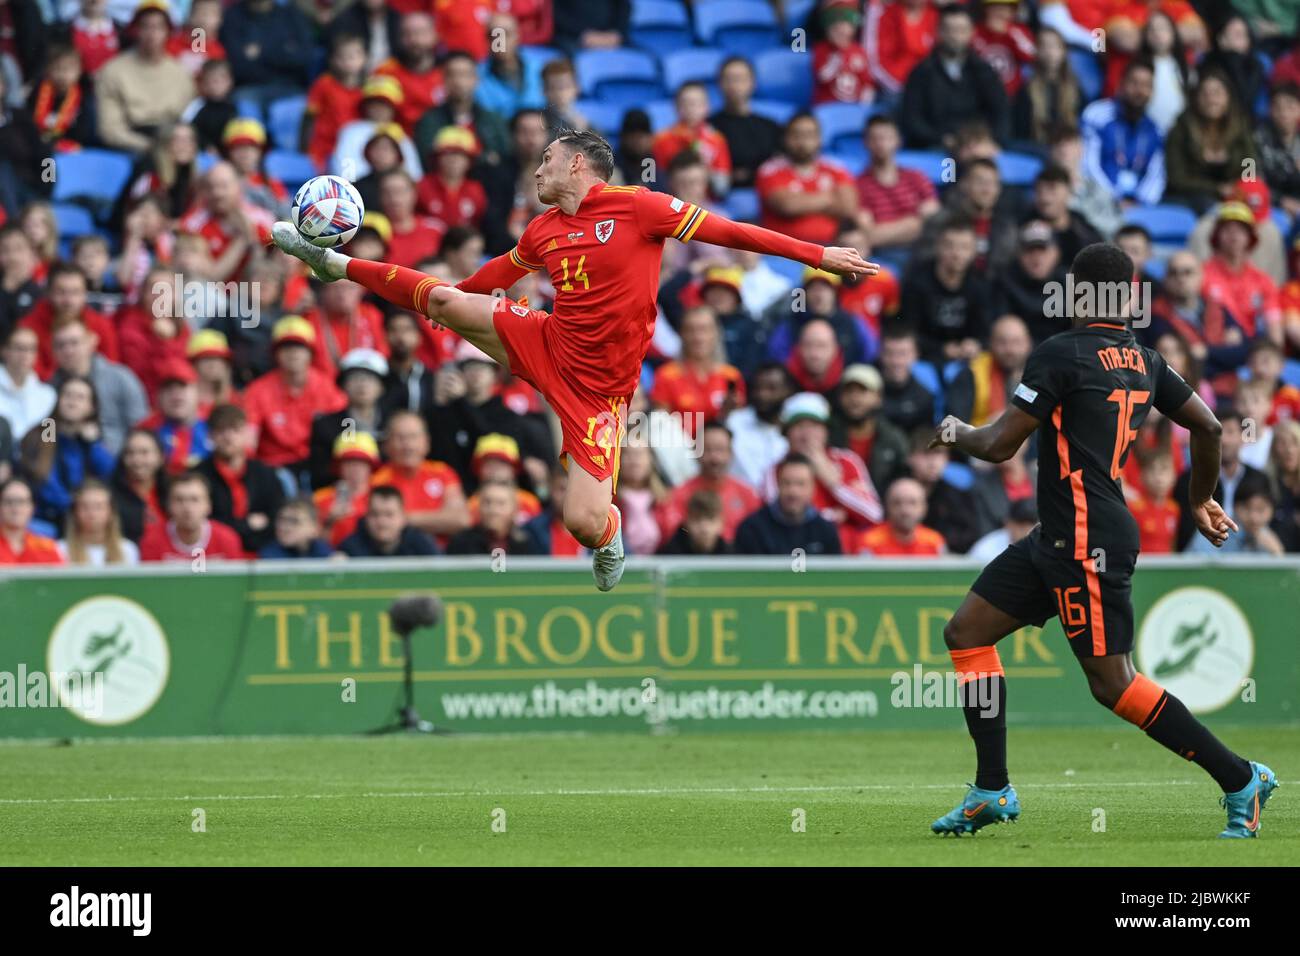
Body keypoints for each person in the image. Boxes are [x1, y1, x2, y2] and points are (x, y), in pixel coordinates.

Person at [271, 128, 875, 590]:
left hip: (599, 394)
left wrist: (817, 254)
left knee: (582, 521)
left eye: (547, 160)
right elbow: (485, 282)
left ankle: (609, 536)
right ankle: (332, 263)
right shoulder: (542, 230)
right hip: (548, 340)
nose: (538, 169)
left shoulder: (642, 207)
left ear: (578, 163)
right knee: (447, 298)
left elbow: (734, 232)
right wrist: (444, 307)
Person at [926, 241, 1274, 839]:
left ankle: (1240, 778)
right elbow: (1210, 425)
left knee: (1112, 684)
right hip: (1059, 535)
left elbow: (1000, 445)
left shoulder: (1059, 353)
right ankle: (991, 789)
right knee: (967, 632)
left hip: (1088, 538)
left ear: (1082, 292)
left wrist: (958, 430)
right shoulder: (1145, 360)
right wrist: (1198, 499)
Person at [900, 3, 1009, 150]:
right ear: (938, 31)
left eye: (961, 30)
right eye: (949, 30)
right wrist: (941, 139)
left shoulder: (984, 72)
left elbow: (1000, 113)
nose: (955, 36)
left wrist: (990, 141)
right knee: (948, 169)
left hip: (977, 149)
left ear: (971, 32)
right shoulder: (922, 73)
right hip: (935, 148)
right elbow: (912, 119)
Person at [19, 375, 115, 527]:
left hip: (83, 518)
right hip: (48, 518)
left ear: (92, 407)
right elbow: (43, 478)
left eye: (80, 397)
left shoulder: (92, 440)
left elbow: (109, 474)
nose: (72, 402)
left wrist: (93, 444)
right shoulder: (46, 430)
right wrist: (75, 506)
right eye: (67, 395)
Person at [197, 403, 284, 554]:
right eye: (221, 431)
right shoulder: (198, 476)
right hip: (214, 552)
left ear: (246, 433)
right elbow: (200, 522)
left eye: (235, 430)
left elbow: (278, 516)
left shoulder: (265, 473)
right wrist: (246, 524)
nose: (228, 437)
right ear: (210, 435)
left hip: (262, 550)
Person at [733, 454, 842, 556]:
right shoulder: (753, 529)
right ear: (778, 485)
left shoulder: (825, 531)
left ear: (813, 488)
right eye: (786, 483)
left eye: (801, 484)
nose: (793, 491)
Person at [138, 470, 246, 561]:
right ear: (169, 505)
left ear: (208, 505)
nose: (187, 508)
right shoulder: (152, 541)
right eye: (179, 500)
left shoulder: (227, 540)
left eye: (195, 500)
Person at [338, 483, 440, 557]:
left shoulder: (422, 545)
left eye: (389, 515)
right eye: (375, 514)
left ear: (403, 518)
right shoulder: (349, 548)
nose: (381, 522)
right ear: (366, 518)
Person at [856, 476, 946, 556]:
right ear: (887, 507)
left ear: (924, 508)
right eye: (897, 503)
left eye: (913, 503)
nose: (905, 510)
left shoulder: (934, 542)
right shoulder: (870, 542)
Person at [446, 478, 539, 555]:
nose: (493, 510)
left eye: (501, 504)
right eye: (487, 503)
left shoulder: (527, 544)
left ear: (515, 510)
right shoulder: (461, 543)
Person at [58, 478, 139, 565]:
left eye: (99, 507)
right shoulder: (60, 550)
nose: (91, 513)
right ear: (74, 512)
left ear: (111, 512)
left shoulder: (127, 549)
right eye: (84, 507)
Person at [0, 477, 64, 565]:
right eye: (8, 501)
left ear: (32, 508)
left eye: (21, 501)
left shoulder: (47, 548)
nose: (15, 508)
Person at [657, 488, 732, 556]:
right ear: (687, 522)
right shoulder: (668, 556)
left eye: (711, 519)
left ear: (721, 523)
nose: (704, 528)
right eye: (697, 519)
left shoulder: (733, 557)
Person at [258, 498, 334, 559]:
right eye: (281, 519)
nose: (284, 527)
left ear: (313, 528)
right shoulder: (269, 556)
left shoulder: (322, 549)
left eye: (294, 521)